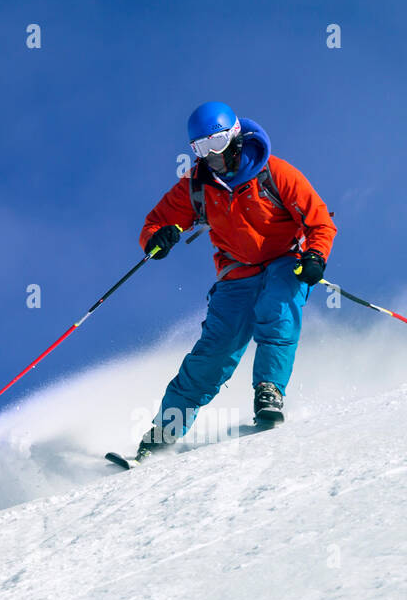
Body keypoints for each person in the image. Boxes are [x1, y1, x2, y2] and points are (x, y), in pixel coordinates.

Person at [133, 101, 336, 461]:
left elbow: (319, 221)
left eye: (216, 143)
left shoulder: (276, 173)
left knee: (278, 310)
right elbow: (154, 221)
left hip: (285, 260)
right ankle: (164, 432)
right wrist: (157, 239)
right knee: (214, 353)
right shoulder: (196, 187)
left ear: (236, 138)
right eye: (200, 149)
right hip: (236, 273)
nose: (211, 156)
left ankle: (268, 390)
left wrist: (316, 255)